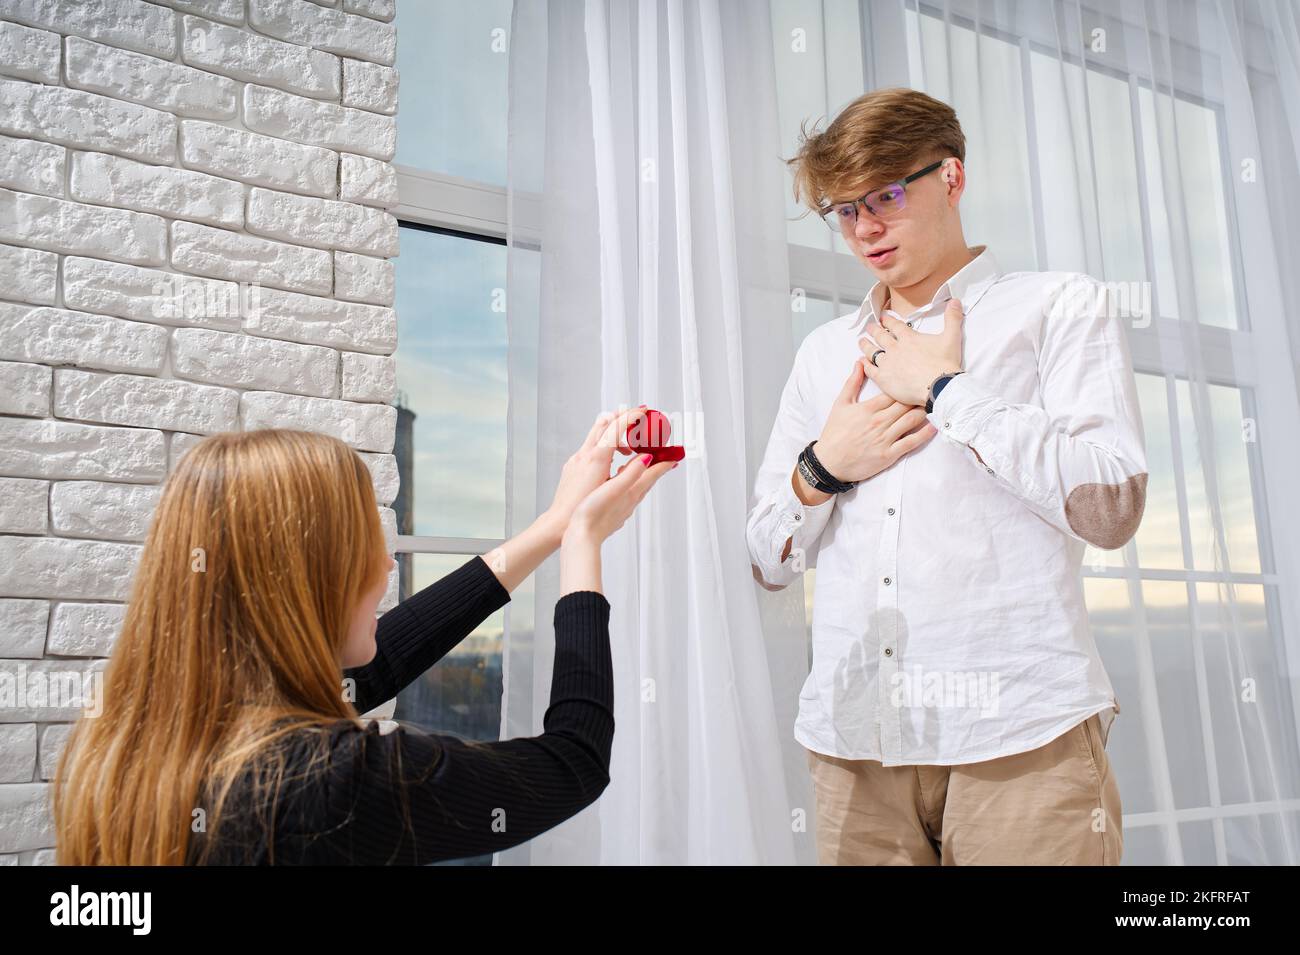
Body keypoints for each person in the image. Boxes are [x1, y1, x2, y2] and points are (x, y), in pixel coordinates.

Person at [746, 87, 1147, 865]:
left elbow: (1113, 508)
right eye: (844, 209)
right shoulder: (824, 354)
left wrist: (947, 392)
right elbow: (766, 557)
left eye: (887, 196)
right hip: (851, 748)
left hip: (1021, 740)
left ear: (952, 177)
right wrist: (823, 468)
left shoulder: (1060, 307)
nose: (864, 228)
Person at [55, 410, 675, 864]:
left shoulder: (127, 743)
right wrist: (582, 546)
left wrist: (550, 528)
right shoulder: (328, 782)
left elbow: (380, 663)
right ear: (305, 580)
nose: (386, 566)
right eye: (363, 543)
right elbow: (573, 764)